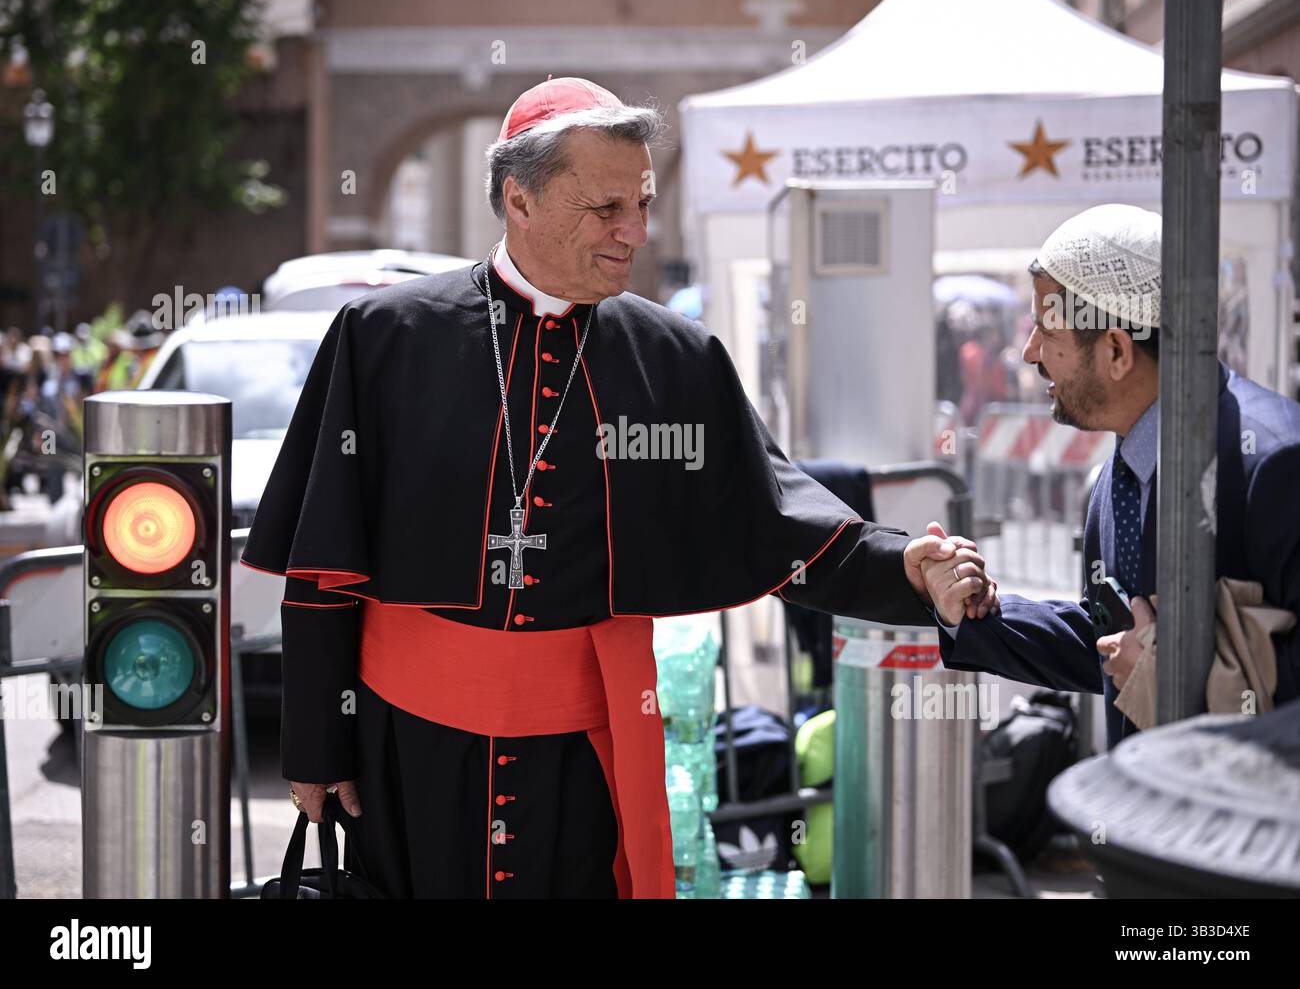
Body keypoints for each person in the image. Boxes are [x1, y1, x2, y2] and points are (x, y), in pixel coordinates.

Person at [240, 76, 996, 899]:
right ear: (518, 198)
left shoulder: (674, 357)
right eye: (606, 208)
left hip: (584, 747)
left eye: (641, 203)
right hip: (412, 740)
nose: (634, 231)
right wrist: (317, 744)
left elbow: (779, 520)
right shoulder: (386, 336)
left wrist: (905, 568)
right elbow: (323, 564)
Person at [920, 203, 1300, 750]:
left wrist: (1179, 679)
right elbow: (1107, 644)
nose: (1029, 353)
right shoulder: (1117, 475)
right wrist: (973, 615)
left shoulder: (1274, 464)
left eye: (1046, 329)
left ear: (1117, 350)